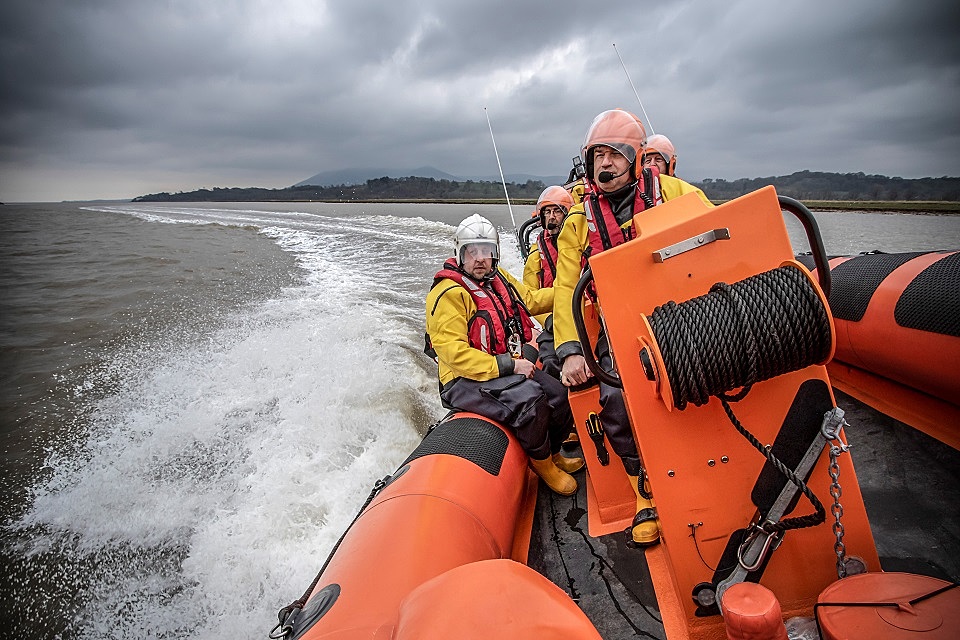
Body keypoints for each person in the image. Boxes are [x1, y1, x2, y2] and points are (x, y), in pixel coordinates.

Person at [552, 109, 713, 546]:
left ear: (636, 157)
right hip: (620, 329)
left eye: (614, 155)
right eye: (597, 156)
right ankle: (644, 492)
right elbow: (568, 287)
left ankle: (710, 467)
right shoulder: (579, 222)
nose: (605, 164)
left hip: (684, 315)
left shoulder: (677, 194)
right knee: (616, 402)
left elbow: (720, 233)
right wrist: (570, 350)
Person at [425, 214, 583, 495]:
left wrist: (570, 291)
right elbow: (453, 354)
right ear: (460, 254)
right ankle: (543, 464)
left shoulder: (499, 279)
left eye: (486, 251)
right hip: (463, 380)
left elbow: (530, 301)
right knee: (530, 401)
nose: (480, 259)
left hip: (500, 368)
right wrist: (510, 365)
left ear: (495, 253)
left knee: (559, 394)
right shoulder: (448, 293)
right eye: (472, 252)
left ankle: (555, 454)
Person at [522, 186, 574, 379]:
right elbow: (530, 296)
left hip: (586, 313)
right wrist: (550, 319)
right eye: (547, 212)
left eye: (557, 211)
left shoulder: (580, 242)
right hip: (554, 319)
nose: (552, 217)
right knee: (549, 358)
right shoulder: (537, 254)